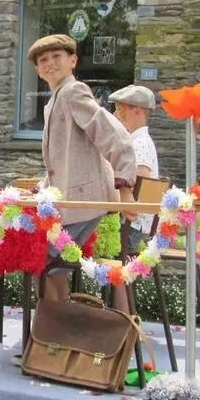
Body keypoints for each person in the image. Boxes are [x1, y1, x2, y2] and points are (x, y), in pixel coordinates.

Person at [28, 34, 136, 304]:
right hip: (69, 200)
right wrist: (41, 188)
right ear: (38, 71)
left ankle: (58, 325)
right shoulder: (54, 100)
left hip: (83, 199)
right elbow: (64, 158)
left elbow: (113, 135)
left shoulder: (73, 91)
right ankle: (58, 324)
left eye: (57, 57)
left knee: (44, 260)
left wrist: (126, 189)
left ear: (73, 60)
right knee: (46, 262)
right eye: (43, 60)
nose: (50, 63)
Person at [109, 84, 160, 254]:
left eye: (121, 109)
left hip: (131, 226)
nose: (116, 115)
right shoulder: (138, 141)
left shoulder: (139, 143)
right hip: (135, 225)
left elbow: (138, 184)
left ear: (138, 111)